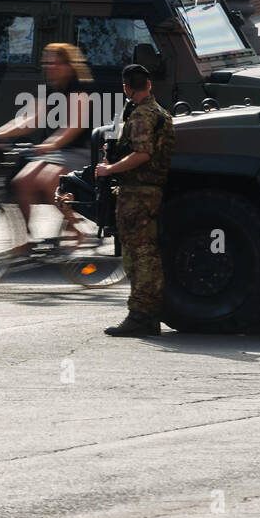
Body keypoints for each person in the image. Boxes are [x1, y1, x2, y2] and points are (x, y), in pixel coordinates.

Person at [96, 64, 173, 337]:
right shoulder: (160, 112)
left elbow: (142, 154)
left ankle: (141, 315)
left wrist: (109, 169)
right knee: (144, 253)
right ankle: (146, 315)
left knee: (139, 255)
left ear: (127, 89)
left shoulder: (142, 115)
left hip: (138, 194)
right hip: (148, 191)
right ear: (149, 84)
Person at [0, 43, 94, 237]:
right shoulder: (48, 88)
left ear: (69, 66)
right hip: (55, 152)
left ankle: (75, 228)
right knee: (21, 182)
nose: (49, 67)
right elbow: (28, 119)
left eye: (56, 64)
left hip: (80, 152)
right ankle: (26, 239)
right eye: (46, 63)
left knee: (48, 181)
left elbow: (74, 125)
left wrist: (50, 145)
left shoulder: (78, 88)